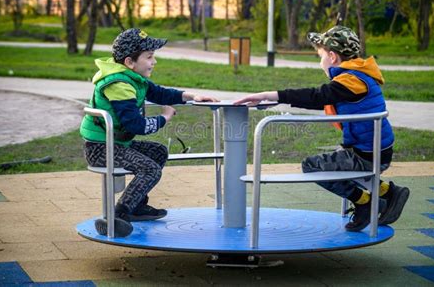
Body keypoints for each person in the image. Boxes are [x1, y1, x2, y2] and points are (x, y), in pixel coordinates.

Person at [234, 25, 409, 232]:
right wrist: (277, 100)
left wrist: (271, 95)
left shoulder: (352, 80)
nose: (320, 62)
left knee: (313, 167)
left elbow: (318, 95)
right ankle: (388, 192)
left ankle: (365, 202)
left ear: (332, 57)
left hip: (367, 154)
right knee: (339, 164)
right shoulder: (357, 75)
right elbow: (323, 99)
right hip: (371, 149)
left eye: (320, 56)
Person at [80, 28, 218, 237]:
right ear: (129, 62)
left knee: (158, 152)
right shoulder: (119, 85)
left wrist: (193, 96)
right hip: (101, 148)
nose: (154, 62)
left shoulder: (131, 78)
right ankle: (119, 215)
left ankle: (137, 205)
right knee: (150, 170)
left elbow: (160, 93)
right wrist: (164, 118)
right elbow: (136, 125)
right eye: (149, 57)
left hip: (116, 144)